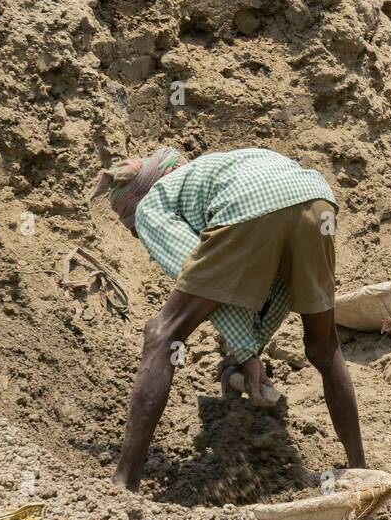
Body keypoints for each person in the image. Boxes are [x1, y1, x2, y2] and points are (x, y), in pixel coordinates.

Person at [92, 146, 365, 491]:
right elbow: (273, 292)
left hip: (251, 204)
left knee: (162, 334)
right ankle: (359, 469)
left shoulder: (152, 204)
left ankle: (123, 480)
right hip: (316, 200)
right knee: (324, 348)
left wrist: (247, 352)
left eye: (134, 231)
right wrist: (245, 352)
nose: (139, 238)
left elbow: (194, 270)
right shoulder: (212, 174)